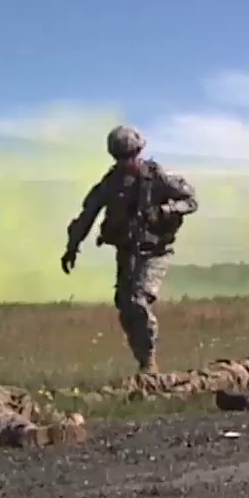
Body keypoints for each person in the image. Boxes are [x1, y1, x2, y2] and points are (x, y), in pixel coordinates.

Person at [62, 125, 199, 373]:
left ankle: (150, 363)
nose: (126, 162)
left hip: (156, 250)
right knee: (125, 307)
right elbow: (87, 215)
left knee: (138, 301)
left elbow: (191, 201)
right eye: (120, 157)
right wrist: (72, 247)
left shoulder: (157, 177)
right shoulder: (110, 184)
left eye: (130, 156)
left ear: (139, 151)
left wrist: (166, 210)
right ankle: (143, 362)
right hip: (127, 252)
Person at [69, 355, 249, 404]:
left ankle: (96, 395)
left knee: (165, 379)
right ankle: (146, 400)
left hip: (226, 365)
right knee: (189, 388)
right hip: (234, 374)